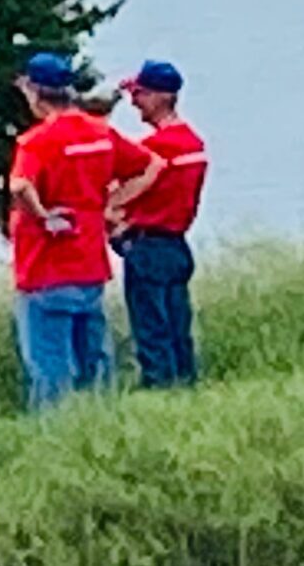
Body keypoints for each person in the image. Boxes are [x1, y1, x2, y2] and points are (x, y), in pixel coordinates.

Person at [9, 51, 162, 411]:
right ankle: (101, 425)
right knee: (94, 360)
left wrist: (43, 215)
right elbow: (150, 165)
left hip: (44, 267)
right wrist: (109, 206)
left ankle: (53, 437)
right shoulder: (99, 133)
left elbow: (20, 186)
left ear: (34, 91)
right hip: (90, 263)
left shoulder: (36, 142)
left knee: (50, 367)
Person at [110, 59, 208, 389]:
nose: (133, 101)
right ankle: (186, 380)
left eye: (139, 93)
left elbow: (114, 183)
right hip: (177, 244)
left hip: (147, 244)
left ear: (160, 97)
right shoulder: (194, 144)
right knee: (178, 321)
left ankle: (159, 385)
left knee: (151, 326)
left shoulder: (153, 149)